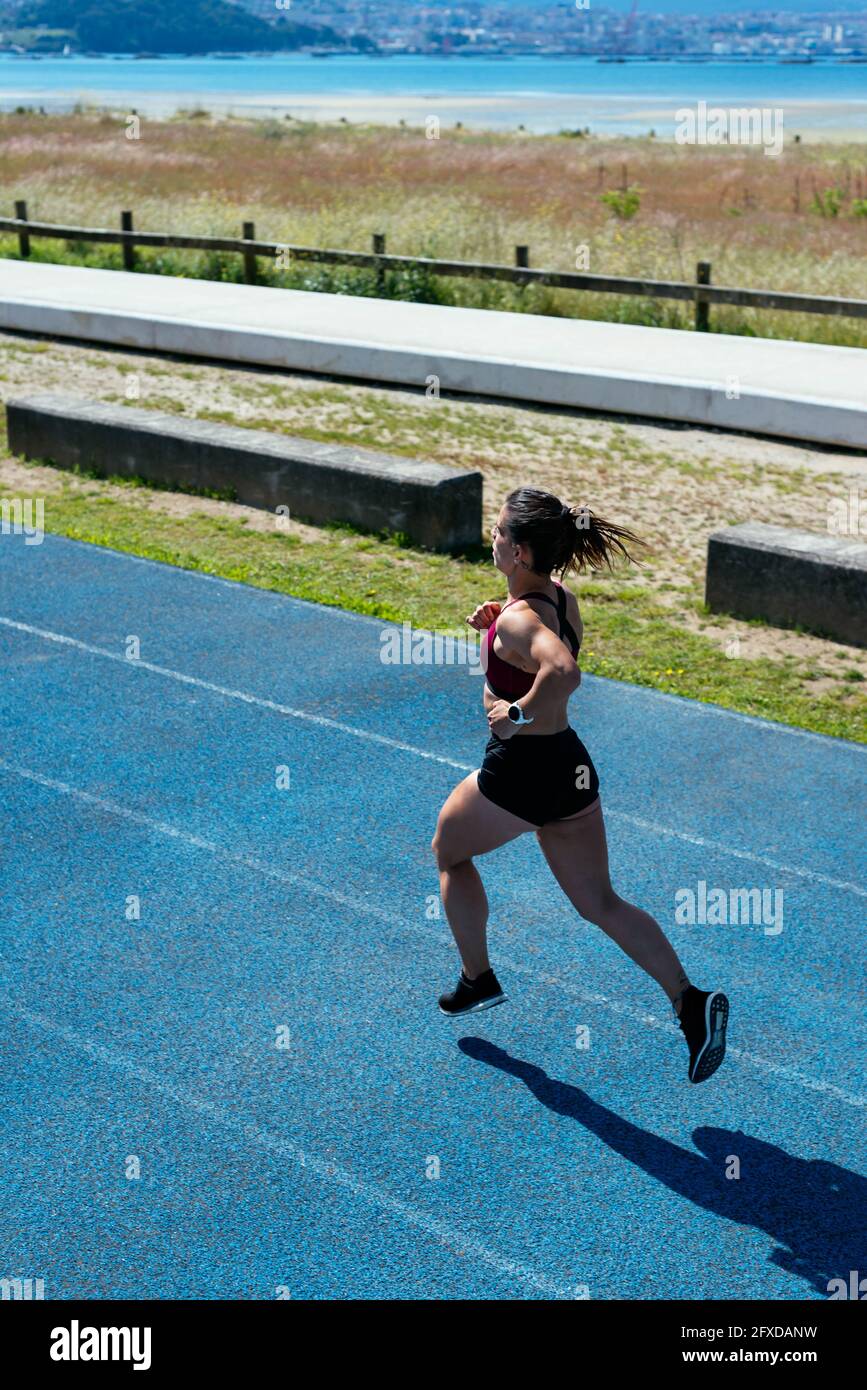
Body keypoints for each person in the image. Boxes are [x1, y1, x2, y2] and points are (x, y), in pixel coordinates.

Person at [431, 487, 729, 1084]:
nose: (491, 538)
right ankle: (689, 1002)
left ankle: (477, 977)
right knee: (600, 903)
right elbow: (545, 643)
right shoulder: (559, 601)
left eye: (497, 533)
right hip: (571, 769)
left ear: (518, 551)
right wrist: (498, 625)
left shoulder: (522, 618)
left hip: (520, 773)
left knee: (448, 851)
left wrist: (514, 715)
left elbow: (563, 671)